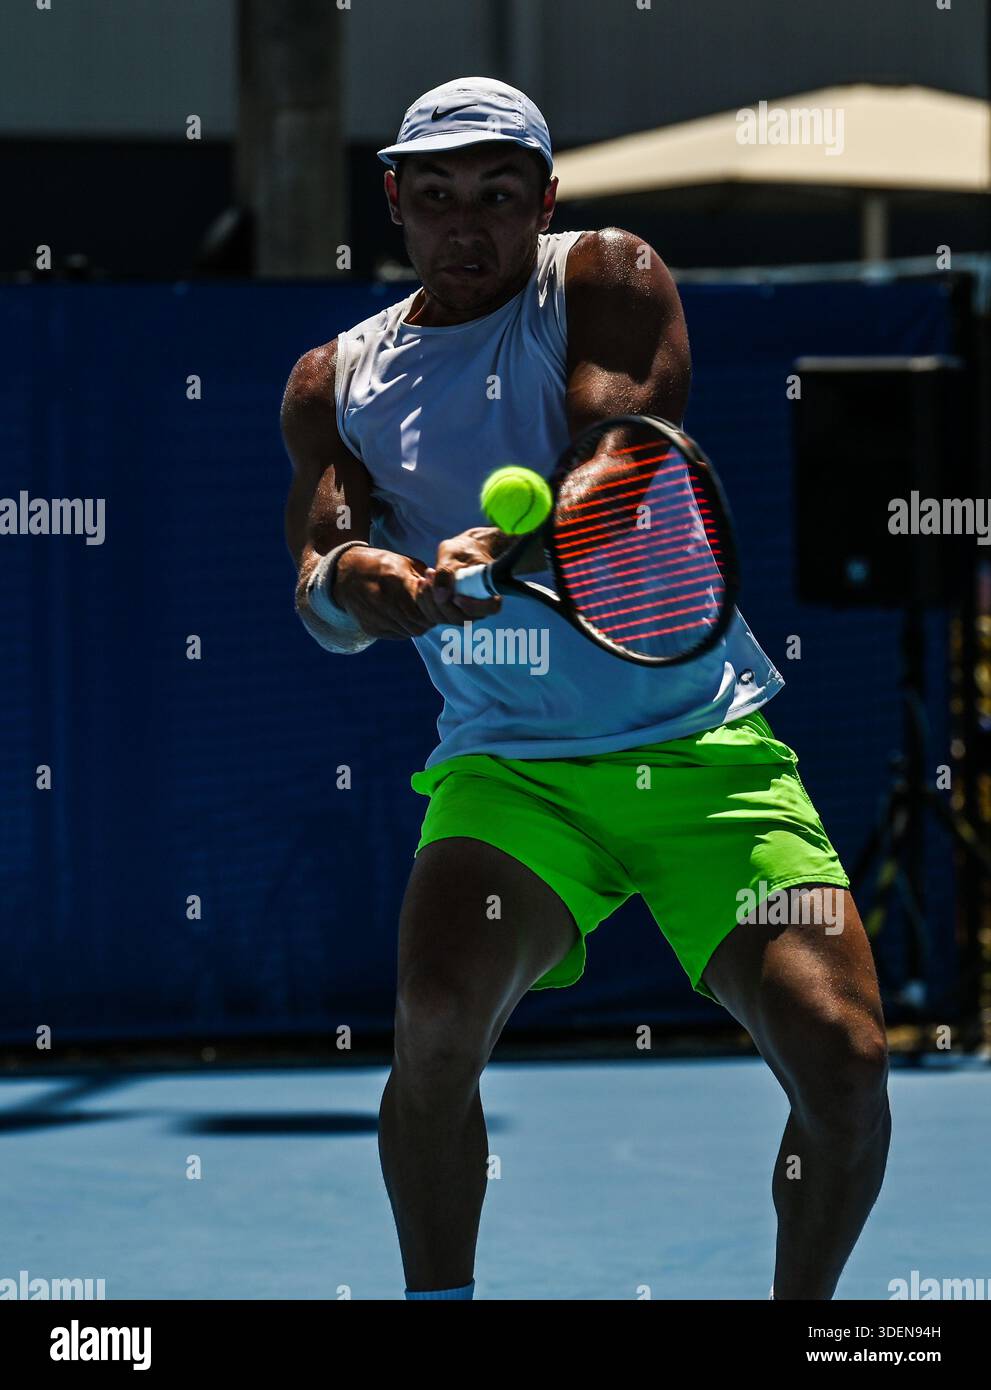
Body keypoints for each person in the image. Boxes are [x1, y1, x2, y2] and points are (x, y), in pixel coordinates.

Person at [282, 77, 890, 1301]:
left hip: (703, 752)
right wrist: (373, 581)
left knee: (843, 1057)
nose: (469, 225)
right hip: (512, 775)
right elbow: (317, 571)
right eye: (438, 195)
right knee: (437, 1016)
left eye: (500, 196)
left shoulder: (605, 276)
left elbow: (618, 450)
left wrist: (502, 548)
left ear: (544, 200)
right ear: (395, 200)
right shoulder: (333, 381)